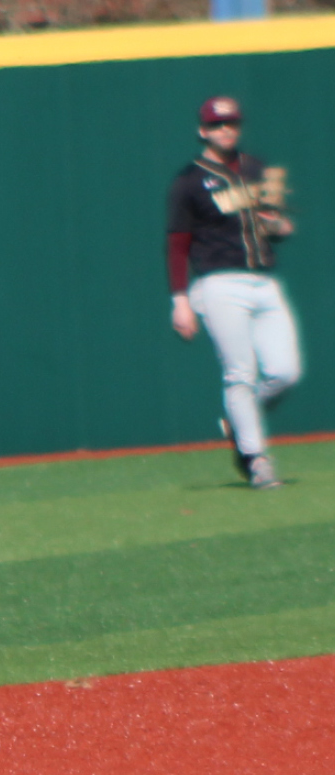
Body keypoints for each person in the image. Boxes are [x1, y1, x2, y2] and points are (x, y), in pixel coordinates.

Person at [167, 95, 300, 491]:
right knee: (240, 374)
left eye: (232, 123)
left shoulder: (257, 168)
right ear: (203, 130)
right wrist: (180, 301)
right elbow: (177, 243)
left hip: (264, 280)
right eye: (217, 124)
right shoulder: (189, 181)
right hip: (218, 282)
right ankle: (256, 459)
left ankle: (237, 422)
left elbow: (282, 228)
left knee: (285, 372)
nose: (226, 129)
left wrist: (276, 224)